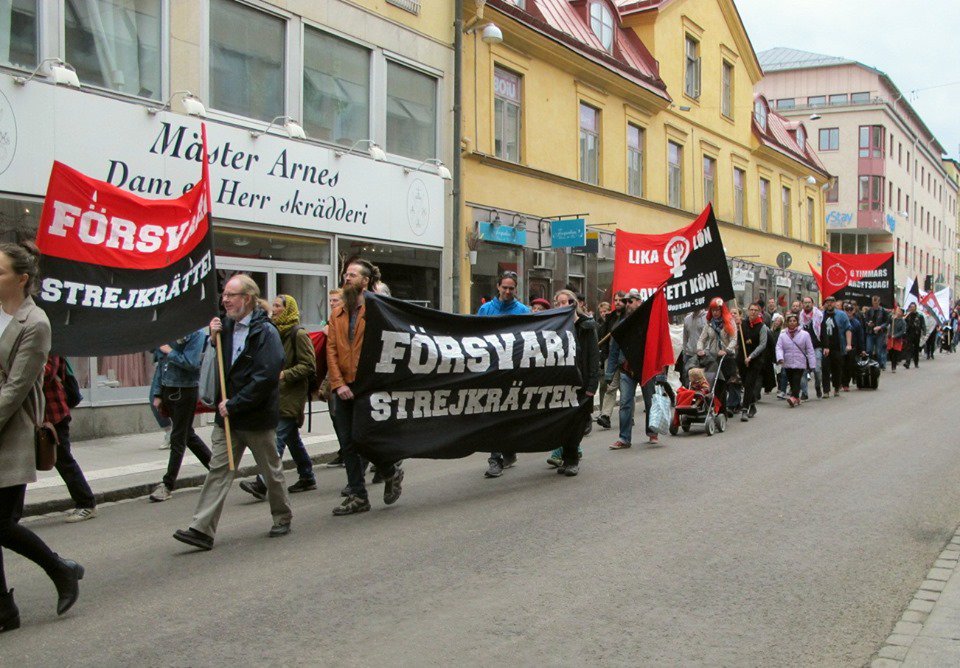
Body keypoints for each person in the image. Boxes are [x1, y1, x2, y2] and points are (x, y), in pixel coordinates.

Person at [173, 275, 292, 550]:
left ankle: (282, 516)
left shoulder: (266, 333)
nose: (224, 300)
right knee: (218, 471)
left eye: (231, 295)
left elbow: (265, 377)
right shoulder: (224, 327)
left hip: (255, 417)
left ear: (247, 299)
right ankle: (201, 529)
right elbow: (220, 366)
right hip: (228, 416)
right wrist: (214, 340)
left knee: (270, 470)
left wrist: (235, 403)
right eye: (224, 295)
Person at [0, 241, 84, 630]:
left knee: (2, 524)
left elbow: (16, 388)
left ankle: (60, 569)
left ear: (21, 279)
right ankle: (4, 609)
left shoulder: (35, 323)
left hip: (12, 430)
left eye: (0, 272)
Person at [327, 259, 404, 514]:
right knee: (347, 443)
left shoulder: (377, 310)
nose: (347, 278)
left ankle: (390, 471)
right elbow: (331, 351)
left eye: (352, 274)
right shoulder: (337, 313)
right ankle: (358, 495)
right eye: (346, 274)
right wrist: (338, 384)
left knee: (365, 439)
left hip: (369, 387)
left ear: (365, 281)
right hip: (343, 387)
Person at [239, 294, 318, 499]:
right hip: (275, 393)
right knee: (291, 438)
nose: (273, 309)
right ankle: (307, 475)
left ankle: (263, 483)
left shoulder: (298, 334)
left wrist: (285, 374)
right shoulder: (273, 331)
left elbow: (309, 366)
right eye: (272, 305)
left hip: (291, 394)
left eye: (278, 306)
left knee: (277, 440)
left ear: (287, 309)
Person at [149, 328, 212, 502]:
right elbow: (161, 364)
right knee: (187, 435)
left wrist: (170, 351)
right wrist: (157, 393)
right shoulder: (169, 330)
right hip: (168, 389)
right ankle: (217, 469)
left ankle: (167, 484)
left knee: (178, 437)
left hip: (185, 390)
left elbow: (192, 363)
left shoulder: (196, 333)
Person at [479, 271, 530, 478]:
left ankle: (508, 449)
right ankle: (495, 459)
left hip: (514, 370)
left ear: (516, 289)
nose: (508, 291)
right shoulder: (485, 309)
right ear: (498, 287)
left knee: (509, 414)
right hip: (491, 370)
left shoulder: (523, 311)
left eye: (511, 288)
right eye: (504, 287)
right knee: (494, 413)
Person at [544, 289, 599, 475]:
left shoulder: (586, 326)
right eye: (557, 303)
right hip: (562, 382)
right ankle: (566, 458)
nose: (560, 306)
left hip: (582, 382)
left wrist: (592, 386)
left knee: (576, 424)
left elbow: (593, 357)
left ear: (573, 304)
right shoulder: (554, 326)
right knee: (564, 423)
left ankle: (572, 459)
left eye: (564, 302)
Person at [42, 355, 98, 522]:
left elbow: (46, 374)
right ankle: (10, 516)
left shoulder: (50, 346)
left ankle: (87, 503)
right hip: (38, 416)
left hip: (54, 415)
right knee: (23, 464)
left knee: (63, 460)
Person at [607, 290, 644, 449]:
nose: (627, 304)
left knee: (650, 401)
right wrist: (609, 372)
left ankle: (652, 432)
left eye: (630, 301)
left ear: (639, 302)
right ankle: (624, 438)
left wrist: (660, 371)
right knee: (625, 404)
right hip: (626, 370)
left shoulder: (647, 322)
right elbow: (614, 350)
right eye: (625, 301)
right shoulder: (620, 325)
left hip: (644, 369)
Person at [696, 297, 738, 416]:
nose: (715, 312)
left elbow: (734, 339)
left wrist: (727, 350)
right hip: (713, 357)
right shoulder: (709, 324)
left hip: (726, 358)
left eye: (717, 310)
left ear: (722, 310)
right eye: (713, 310)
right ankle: (712, 407)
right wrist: (700, 349)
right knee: (712, 382)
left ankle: (722, 409)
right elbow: (702, 339)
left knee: (722, 383)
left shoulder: (729, 321)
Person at [596, 290, 626, 429]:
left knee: (625, 389)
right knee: (611, 387)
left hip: (625, 358)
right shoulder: (611, 317)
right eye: (616, 300)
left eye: (621, 300)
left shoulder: (629, 316)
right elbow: (603, 337)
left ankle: (628, 416)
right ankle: (605, 416)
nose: (618, 302)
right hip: (611, 357)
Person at [775, 313, 816, 408]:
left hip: (800, 362)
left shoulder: (805, 334)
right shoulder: (782, 335)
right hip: (787, 362)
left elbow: (810, 349)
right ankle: (797, 398)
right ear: (787, 323)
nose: (792, 323)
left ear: (797, 322)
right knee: (792, 381)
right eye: (790, 321)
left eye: (794, 321)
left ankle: (793, 397)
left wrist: (812, 363)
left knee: (796, 379)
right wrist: (780, 357)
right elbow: (779, 347)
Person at [737, 302, 768, 421]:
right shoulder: (742, 324)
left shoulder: (762, 327)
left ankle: (744, 410)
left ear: (759, 312)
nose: (753, 312)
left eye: (756, 310)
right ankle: (753, 404)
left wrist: (751, 357)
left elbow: (762, 345)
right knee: (745, 384)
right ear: (748, 311)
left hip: (755, 360)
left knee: (750, 384)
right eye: (751, 310)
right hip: (742, 358)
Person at [819, 296, 852, 398]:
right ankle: (826, 391)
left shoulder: (841, 315)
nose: (829, 304)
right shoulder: (821, 315)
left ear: (834, 303)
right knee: (825, 368)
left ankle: (837, 387)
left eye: (831, 302)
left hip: (837, 346)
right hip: (825, 346)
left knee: (836, 368)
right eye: (827, 302)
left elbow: (848, 329)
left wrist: (848, 344)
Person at [798, 297, 823, 400]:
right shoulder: (799, 317)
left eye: (809, 302)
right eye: (805, 303)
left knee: (817, 370)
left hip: (816, 347)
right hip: (803, 348)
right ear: (802, 304)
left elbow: (823, 331)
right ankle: (804, 393)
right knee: (803, 371)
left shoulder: (819, 316)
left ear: (813, 304)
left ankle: (818, 386)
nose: (807, 304)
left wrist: (825, 346)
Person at [148, 348, 173, 449]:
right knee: (154, 400)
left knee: (178, 400)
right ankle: (169, 431)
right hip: (162, 364)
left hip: (177, 364)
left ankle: (182, 434)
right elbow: (151, 349)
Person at [680, 307, 707, 388]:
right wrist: (685, 352)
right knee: (687, 378)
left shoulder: (707, 317)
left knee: (702, 379)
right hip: (689, 354)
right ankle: (688, 394)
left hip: (703, 354)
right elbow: (685, 337)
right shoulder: (687, 319)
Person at [842, 301, 867, 386]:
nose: (849, 311)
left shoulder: (857, 323)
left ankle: (846, 383)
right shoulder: (841, 321)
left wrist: (862, 349)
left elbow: (861, 337)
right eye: (847, 309)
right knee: (841, 365)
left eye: (850, 309)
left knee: (850, 365)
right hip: (842, 346)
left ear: (853, 311)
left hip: (853, 347)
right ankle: (841, 382)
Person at [864, 295, 890, 369]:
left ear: (879, 302)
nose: (874, 304)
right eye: (873, 303)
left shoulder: (883, 311)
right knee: (869, 349)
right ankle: (869, 364)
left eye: (876, 303)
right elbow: (865, 320)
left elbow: (887, 322)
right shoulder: (869, 310)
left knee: (878, 351)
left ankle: (880, 365)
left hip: (880, 333)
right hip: (870, 332)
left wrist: (880, 327)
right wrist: (868, 323)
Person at [903, 303, 925, 369]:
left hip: (916, 334)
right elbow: (904, 323)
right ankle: (907, 362)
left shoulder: (920, 316)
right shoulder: (907, 316)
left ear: (915, 307)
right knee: (908, 348)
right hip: (909, 334)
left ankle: (916, 363)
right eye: (911, 307)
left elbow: (923, 324)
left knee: (916, 349)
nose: (912, 308)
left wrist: (924, 331)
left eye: (913, 307)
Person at [886, 307, 906, 373]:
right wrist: (890, 315)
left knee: (895, 353)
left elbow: (902, 331)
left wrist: (896, 335)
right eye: (898, 311)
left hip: (897, 339)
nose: (898, 312)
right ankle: (893, 362)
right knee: (890, 352)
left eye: (900, 312)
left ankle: (893, 366)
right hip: (890, 338)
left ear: (902, 313)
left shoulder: (903, 322)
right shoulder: (893, 319)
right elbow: (887, 322)